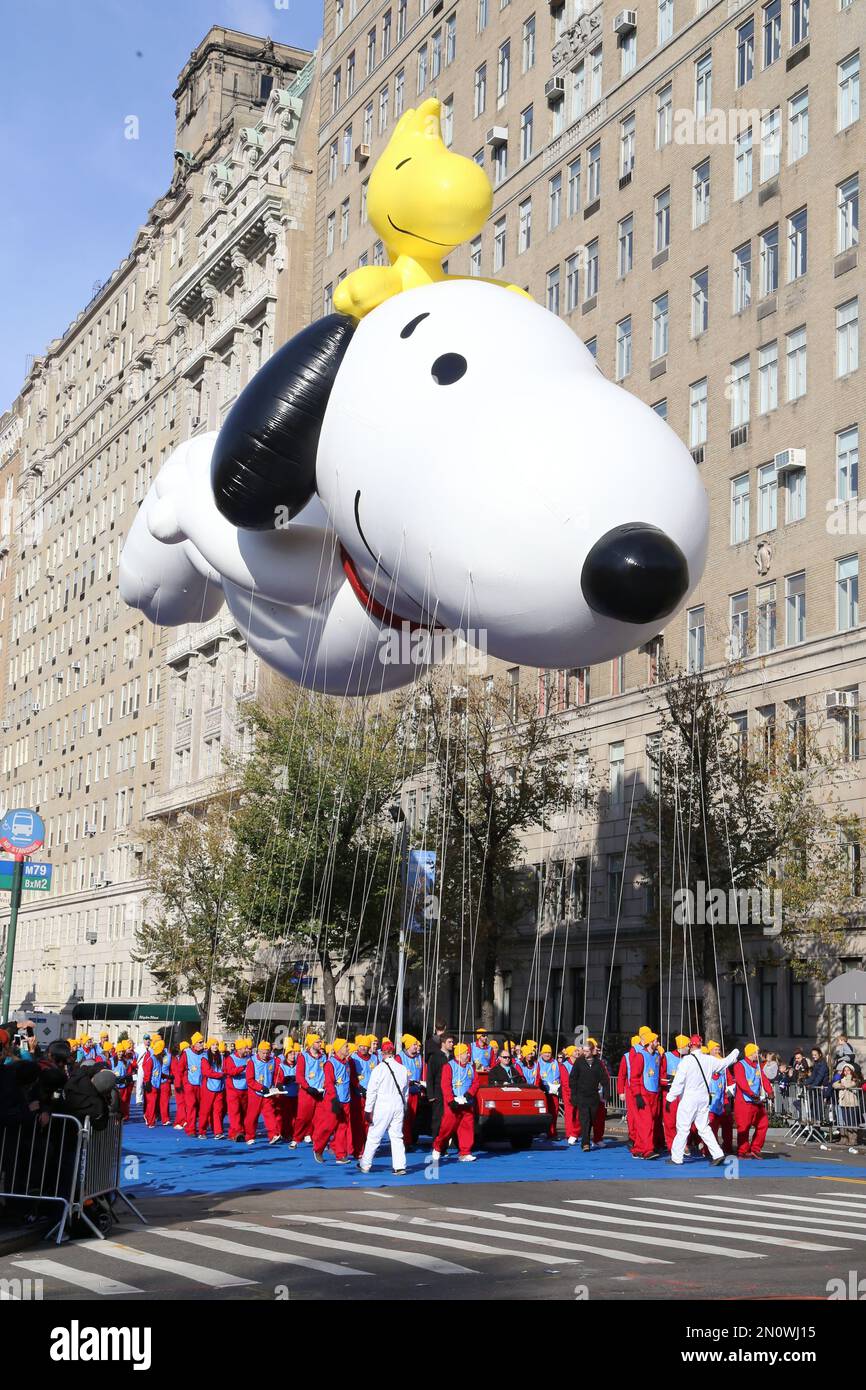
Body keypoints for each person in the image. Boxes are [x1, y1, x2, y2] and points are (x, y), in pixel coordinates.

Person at [666, 1035, 740, 1165]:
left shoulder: (686, 1061)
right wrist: (735, 1052)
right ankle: (717, 1153)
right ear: (701, 1045)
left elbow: (679, 1082)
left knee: (683, 1127)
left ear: (691, 1046)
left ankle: (676, 1158)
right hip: (704, 1098)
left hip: (689, 1098)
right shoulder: (709, 1059)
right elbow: (724, 1063)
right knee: (704, 1127)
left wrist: (669, 1098)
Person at [360, 1046, 410, 1174]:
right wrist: (405, 1107)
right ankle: (400, 1166)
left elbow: (372, 1091)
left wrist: (368, 1109)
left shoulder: (379, 1069)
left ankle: (365, 1164)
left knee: (374, 1135)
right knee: (397, 1136)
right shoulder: (402, 1069)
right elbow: (405, 1092)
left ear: (383, 1053)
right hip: (398, 1104)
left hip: (383, 1104)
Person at [432, 1042, 478, 1163]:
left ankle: (465, 1152)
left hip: (467, 1103)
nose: (468, 1054)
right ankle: (438, 1146)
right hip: (453, 1103)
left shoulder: (470, 1067)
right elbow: (445, 1085)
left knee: (467, 1127)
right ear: (459, 1054)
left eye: (468, 1052)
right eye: (465, 1052)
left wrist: (470, 1093)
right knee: (447, 1127)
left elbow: (476, 1082)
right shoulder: (449, 1066)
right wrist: (450, 1100)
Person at [313, 1038, 357, 1164]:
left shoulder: (346, 1062)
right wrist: (333, 1099)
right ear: (339, 1049)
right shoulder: (330, 1063)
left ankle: (341, 1155)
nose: (348, 1049)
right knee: (328, 1127)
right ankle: (318, 1149)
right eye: (346, 1046)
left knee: (342, 1127)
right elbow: (329, 1083)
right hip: (333, 1100)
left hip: (346, 1100)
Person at [732, 1042, 773, 1157]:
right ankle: (743, 1151)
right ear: (750, 1053)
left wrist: (770, 1091)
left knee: (763, 1123)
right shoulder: (740, 1065)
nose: (758, 1054)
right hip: (744, 1101)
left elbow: (764, 1079)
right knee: (744, 1126)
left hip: (755, 1101)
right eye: (756, 1052)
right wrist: (751, 1093)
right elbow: (741, 1082)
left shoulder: (757, 1066)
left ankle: (755, 1148)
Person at [628, 1027, 663, 1159]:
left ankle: (638, 1148)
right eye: (656, 1041)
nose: (658, 1043)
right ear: (649, 1042)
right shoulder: (639, 1056)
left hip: (654, 1093)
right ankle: (648, 1150)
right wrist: (637, 1095)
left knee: (650, 1123)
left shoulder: (656, 1055)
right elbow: (634, 1077)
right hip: (643, 1093)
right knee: (646, 1123)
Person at [568, 1042, 606, 1152]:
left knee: (592, 1119)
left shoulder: (598, 1063)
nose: (584, 1053)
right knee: (585, 1120)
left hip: (593, 1096)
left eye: (587, 1051)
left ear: (592, 1051)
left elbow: (604, 1078)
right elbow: (573, 1079)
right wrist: (574, 1095)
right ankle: (585, 1143)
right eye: (583, 1051)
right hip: (582, 1095)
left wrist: (606, 1092)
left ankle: (590, 1139)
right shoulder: (579, 1062)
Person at [245, 1040, 285, 1144]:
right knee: (252, 1115)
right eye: (263, 1052)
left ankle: (273, 1135)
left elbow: (277, 1074)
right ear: (258, 1051)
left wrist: (278, 1084)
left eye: (267, 1052)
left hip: (268, 1092)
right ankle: (249, 1136)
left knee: (269, 1113)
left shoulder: (273, 1061)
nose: (265, 1055)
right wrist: (260, 1087)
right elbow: (250, 1080)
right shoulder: (252, 1062)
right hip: (256, 1093)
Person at [292, 1034, 325, 1146]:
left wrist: (324, 1086)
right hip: (307, 1091)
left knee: (319, 1117)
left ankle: (315, 1138)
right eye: (317, 1042)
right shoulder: (303, 1056)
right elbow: (299, 1076)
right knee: (303, 1117)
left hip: (320, 1091)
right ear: (311, 1044)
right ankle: (296, 1138)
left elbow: (325, 1073)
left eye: (320, 1041)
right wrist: (308, 1087)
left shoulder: (323, 1057)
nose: (320, 1044)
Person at [662, 1035, 691, 1153]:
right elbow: (661, 1076)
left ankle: (684, 1144)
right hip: (670, 1094)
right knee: (670, 1122)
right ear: (682, 1046)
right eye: (688, 1046)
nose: (689, 1048)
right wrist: (670, 1081)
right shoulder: (667, 1057)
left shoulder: (689, 1058)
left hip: (684, 1095)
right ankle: (672, 1146)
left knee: (684, 1121)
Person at [426, 1032, 454, 1144]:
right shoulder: (435, 1057)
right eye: (450, 1042)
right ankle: (436, 1143)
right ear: (443, 1043)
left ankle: (448, 1142)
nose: (452, 1044)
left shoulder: (452, 1057)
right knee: (438, 1118)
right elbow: (430, 1076)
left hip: (450, 1092)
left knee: (450, 1118)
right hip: (438, 1092)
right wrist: (431, 1095)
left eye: (452, 1042)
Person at [350, 1036, 376, 1156]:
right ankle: (358, 1149)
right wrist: (359, 1088)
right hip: (358, 1094)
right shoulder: (353, 1058)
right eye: (361, 1046)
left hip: (372, 1095)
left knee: (369, 1122)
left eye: (366, 1046)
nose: (363, 1048)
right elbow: (351, 1077)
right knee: (358, 1122)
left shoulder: (374, 1058)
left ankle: (368, 1147)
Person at [397, 1034, 424, 1149]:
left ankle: (408, 1139)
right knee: (405, 1117)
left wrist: (422, 1087)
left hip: (416, 1092)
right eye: (414, 1044)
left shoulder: (419, 1057)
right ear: (408, 1046)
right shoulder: (399, 1058)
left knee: (412, 1117)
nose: (416, 1046)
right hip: (404, 1093)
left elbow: (423, 1073)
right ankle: (405, 1142)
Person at [224, 1038, 251, 1142]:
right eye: (245, 1048)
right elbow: (231, 1072)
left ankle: (234, 1133)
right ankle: (238, 1132)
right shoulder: (230, 1059)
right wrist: (244, 1066)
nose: (247, 1050)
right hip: (233, 1089)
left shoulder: (249, 1057)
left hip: (245, 1088)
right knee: (234, 1112)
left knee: (244, 1112)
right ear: (239, 1049)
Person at [199, 1039, 227, 1138]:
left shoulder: (222, 1057)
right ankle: (202, 1131)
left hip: (219, 1087)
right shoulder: (205, 1057)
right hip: (208, 1087)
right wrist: (220, 1075)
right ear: (209, 1046)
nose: (215, 1046)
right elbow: (206, 1072)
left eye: (217, 1045)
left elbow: (225, 1069)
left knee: (218, 1110)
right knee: (205, 1110)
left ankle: (218, 1132)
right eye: (213, 1045)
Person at [181, 1032, 206, 1137]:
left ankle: (201, 1127)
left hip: (202, 1085)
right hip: (190, 1084)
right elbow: (180, 1069)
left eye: (203, 1042)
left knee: (201, 1108)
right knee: (191, 1107)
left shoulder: (205, 1053)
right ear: (195, 1043)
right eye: (200, 1042)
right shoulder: (186, 1053)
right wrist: (182, 1083)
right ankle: (191, 1129)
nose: (202, 1044)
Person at [832, 1064, 862, 1151]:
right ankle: (847, 1138)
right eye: (845, 1070)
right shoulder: (842, 1080)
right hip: (843, 1103)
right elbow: (834, 1085)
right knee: (846, 1121)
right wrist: (840, 1085)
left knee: (852, 1121)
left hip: (852, 1103)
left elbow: (849, 1085)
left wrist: (848, 1077)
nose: (846, 1072)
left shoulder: (855, 1080)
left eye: (848, 1070)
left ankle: (853, 1139)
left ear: (851, 1071)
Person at [618, 1036, 640, 1149]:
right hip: (630, 1089)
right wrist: (621, 1091)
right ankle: (633, 1137)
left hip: (643, 1089)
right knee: (632, 1116)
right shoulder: (626, 1057)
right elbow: (622, 1075)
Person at [141, 1038, 168, 1129]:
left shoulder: (159, 1060)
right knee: (151, 1104)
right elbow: (147, 1072)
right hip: (151, 1085)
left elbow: (159, 1072)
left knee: (153, 1104)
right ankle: (150, 1121)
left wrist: (167, 1076)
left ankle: (150, 1119)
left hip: (156, 1084)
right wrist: (147, 1083)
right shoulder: (151, 1059)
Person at [538, 1044, 561, 1138]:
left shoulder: (554, 1062)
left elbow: (557, 1075)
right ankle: (542, 1130)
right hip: (541, 1091)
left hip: (552, 1091)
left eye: (549, 1052)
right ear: (542, 1053)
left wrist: (555, 1083)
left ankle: (552, 1132)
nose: (547, 1054)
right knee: (543, 1111)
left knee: (554, 1111)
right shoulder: (538, 1062)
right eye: (545, 1052)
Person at [278, 1038, 299, 1141]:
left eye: (294, 1054)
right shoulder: (281, 1066)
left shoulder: (298, 1065)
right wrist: (284, 1081)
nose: (293, 1056)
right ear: (286, 1055)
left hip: (295, 1094)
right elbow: (279, 1080)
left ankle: (294, 1133)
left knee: (296, 1116)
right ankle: (285, 1133)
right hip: (285, 1095)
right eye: (290, 1054)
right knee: (286, 1116)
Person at [558, 1045, 579, 1144]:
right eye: (575, 1051)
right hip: (568, 1093)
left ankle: (575, 1133)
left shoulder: (579, 1063)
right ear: (570, 1053)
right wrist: (571, 1094)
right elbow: (565, 1082)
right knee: (570, 1114)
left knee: (577, 1114)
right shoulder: (564, 1065)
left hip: (578, 1092)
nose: (577, 1052)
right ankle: (569, 1134)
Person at [171, 1041, 189, 1130]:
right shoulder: (176, 1059)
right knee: (181, 1103)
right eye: (186, 1048)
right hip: (179, 1083)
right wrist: (178, 1084)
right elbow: (176, 1073)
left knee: (185, 1103)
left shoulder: (186, 1058)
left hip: (186, 1083)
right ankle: (179, 1122)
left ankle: (184, 1120)